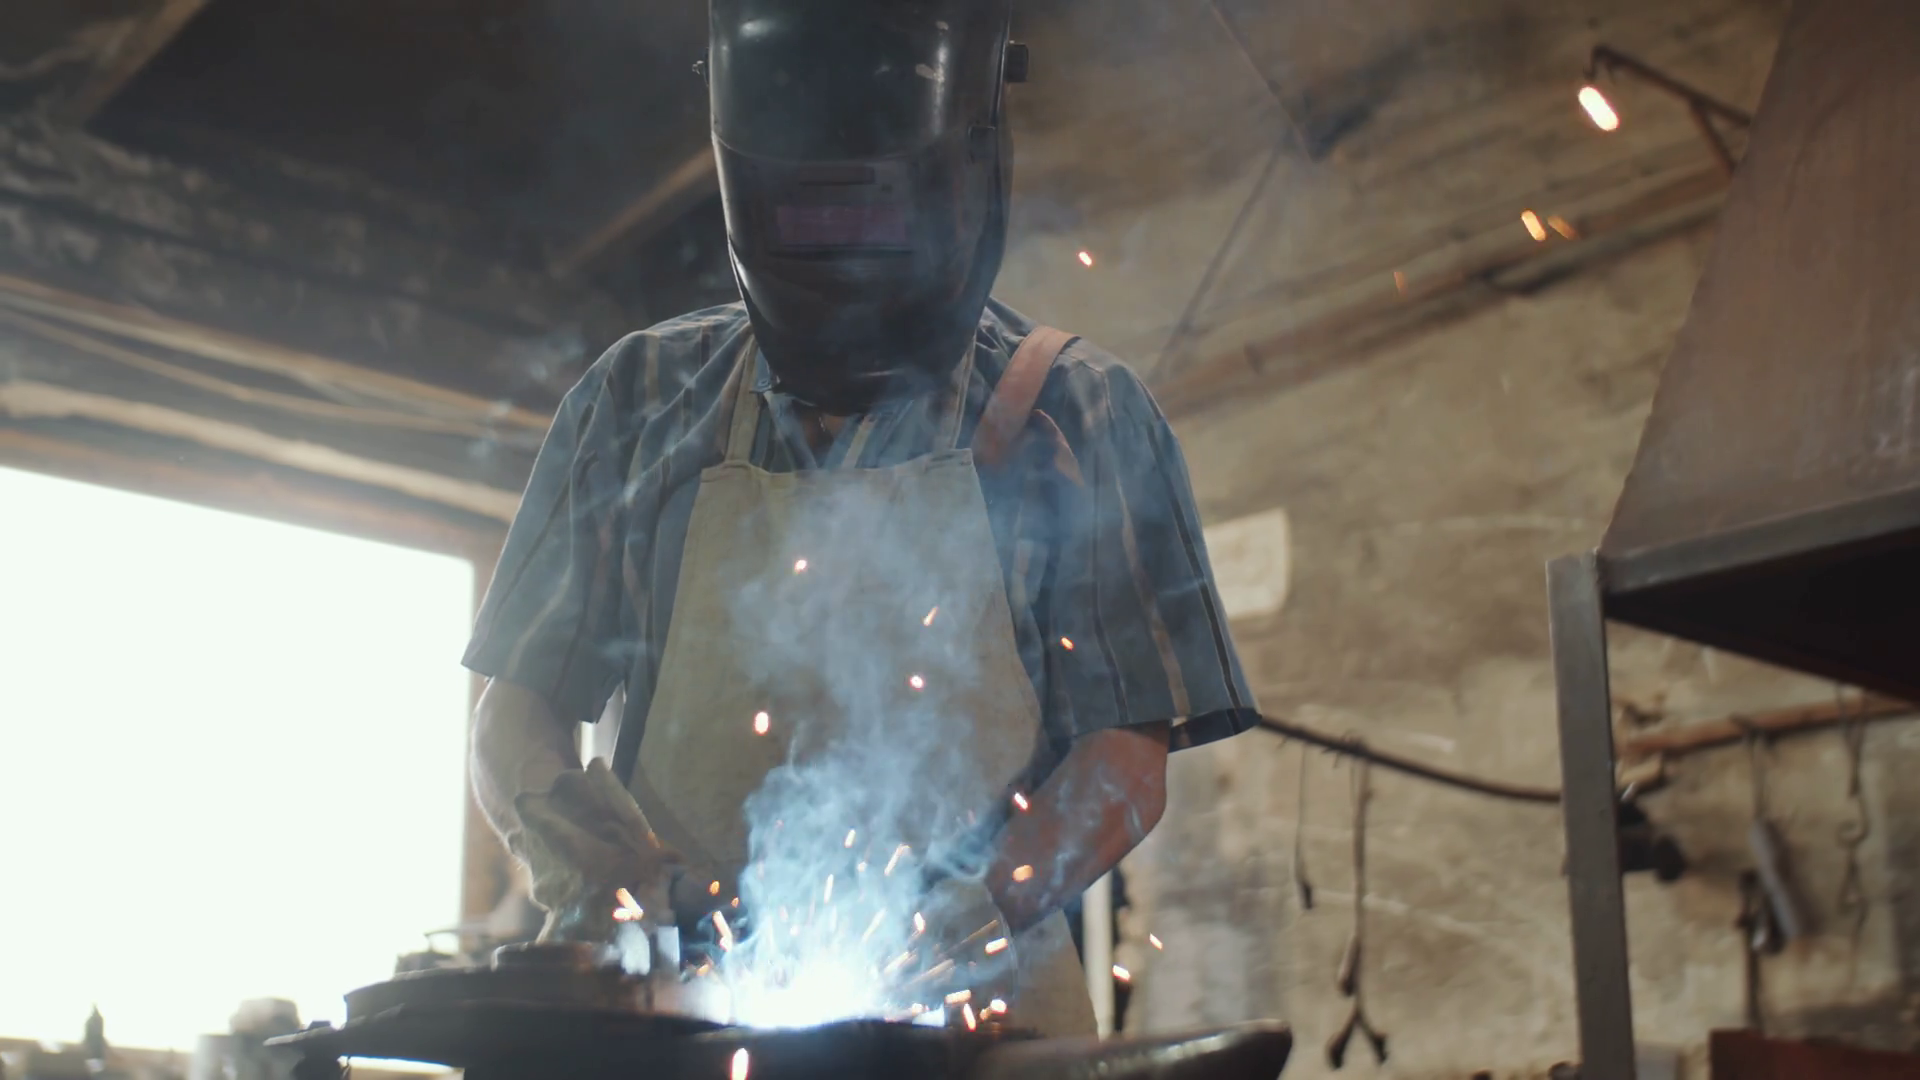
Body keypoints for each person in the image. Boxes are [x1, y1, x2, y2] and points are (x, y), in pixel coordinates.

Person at [466, 0, 1256, 1037]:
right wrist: (631, 887)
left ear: (963, 173)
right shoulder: (637, 401)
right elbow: (515, 719)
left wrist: (955, 923)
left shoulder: (1081, 412)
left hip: (982, 1019)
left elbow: (1123, 761)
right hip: (681, 1013)